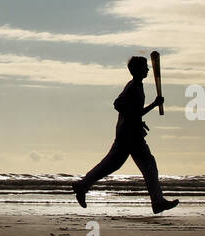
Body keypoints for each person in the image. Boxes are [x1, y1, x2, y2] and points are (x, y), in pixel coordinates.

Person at [71, 55, 179, 214]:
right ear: (138, 70)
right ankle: (157, 201)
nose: (148, 69)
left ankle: (82, 186)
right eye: (145, 67)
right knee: (148, 164)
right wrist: (152, 106)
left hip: (129, 132)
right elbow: (118, 104)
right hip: (130, 135)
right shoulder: (133, 87)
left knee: (112, 164)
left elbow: (132, 111)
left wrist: (139, 118)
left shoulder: (136, 85)